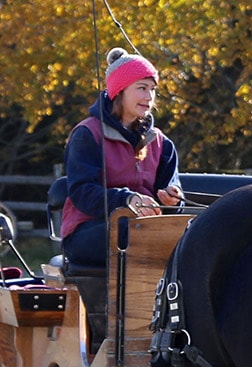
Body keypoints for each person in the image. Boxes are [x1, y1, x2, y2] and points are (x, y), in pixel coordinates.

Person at [59, 47, 184, 267]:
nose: (149, 97)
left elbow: (171, 193)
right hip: (89, 228)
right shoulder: (87, 134)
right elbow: (82, 193)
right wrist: (128, 200)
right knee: (133, 233)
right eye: (142, 88)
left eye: (153, 89)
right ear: (120, 91)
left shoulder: (162, 143)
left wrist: (172, 200)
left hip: (144, 228)